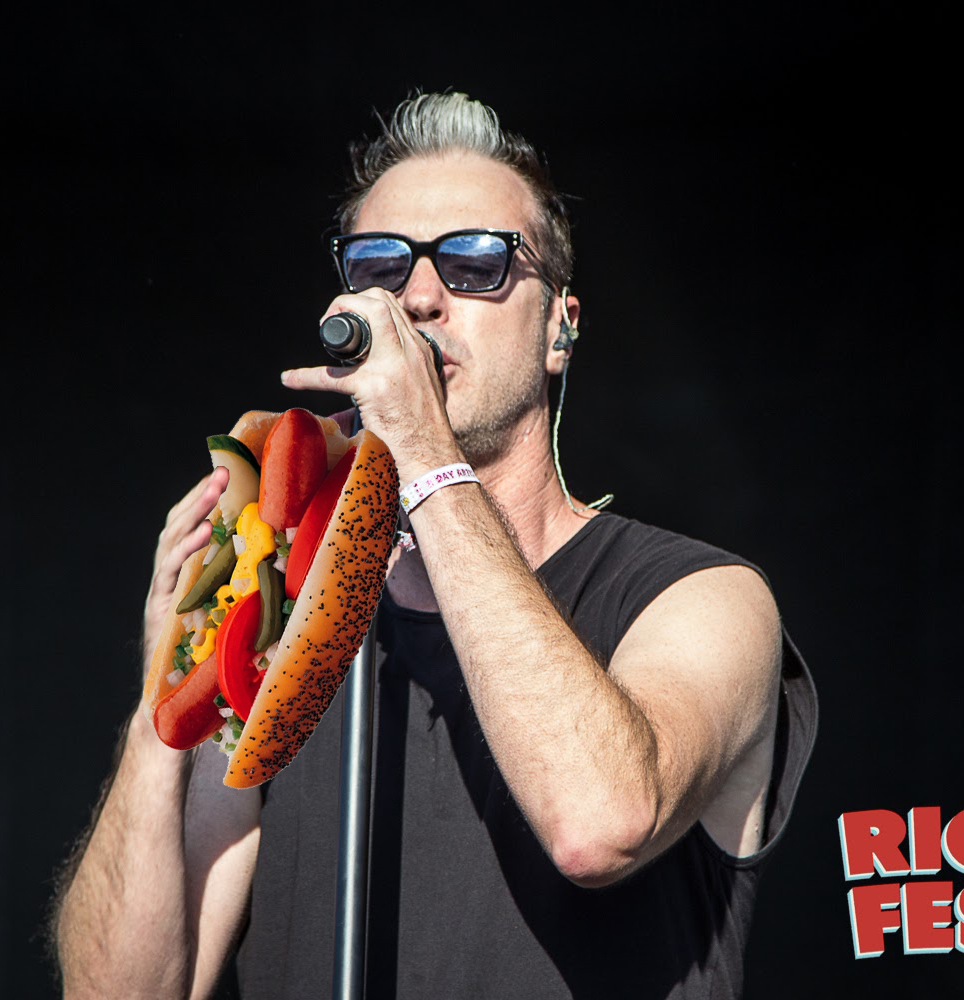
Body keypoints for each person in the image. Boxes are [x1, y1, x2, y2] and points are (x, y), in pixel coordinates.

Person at [51, 91, 817, 1000]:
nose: (417, 297)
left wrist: (421, 446)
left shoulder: (698, 596)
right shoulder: (288, 623)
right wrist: (165, 703)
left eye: (475, 262)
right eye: (379, 266)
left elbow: (599, 824)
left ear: (561, 327)